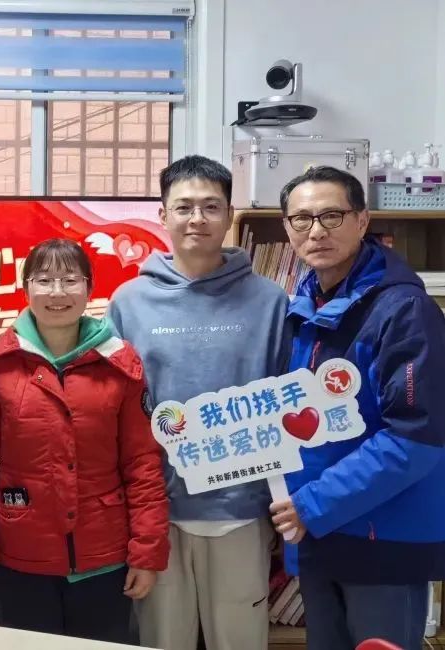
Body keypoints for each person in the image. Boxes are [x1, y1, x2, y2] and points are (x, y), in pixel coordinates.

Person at [108, 155, 290, 650]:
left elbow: (285, 404)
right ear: (162, 214)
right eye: (184, 206)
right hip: (155, 511)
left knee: (240, 641)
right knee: (162, 640)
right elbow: (114, 408)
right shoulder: (129, 301)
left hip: (241, 508)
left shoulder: (270, 300)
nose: (197, 218)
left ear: (229, 214)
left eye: (211, 207)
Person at [0, 238, 169, 643]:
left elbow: (142, 463)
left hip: (105, 560)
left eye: (70, 280)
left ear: (89, 289)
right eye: (44, 280)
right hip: (22, 558)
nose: (57, 292)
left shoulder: (119, 364)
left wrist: (147, 552)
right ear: (26, 288)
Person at [270, 166, 445, 650]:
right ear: (287, 228)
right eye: (302, 219)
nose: (316, 231)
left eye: (332, 215)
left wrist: (311, 504)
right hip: (320, 532)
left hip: (381, 541)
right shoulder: (303, 306)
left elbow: (415, 438)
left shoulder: (404, 311)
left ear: (363, 221)